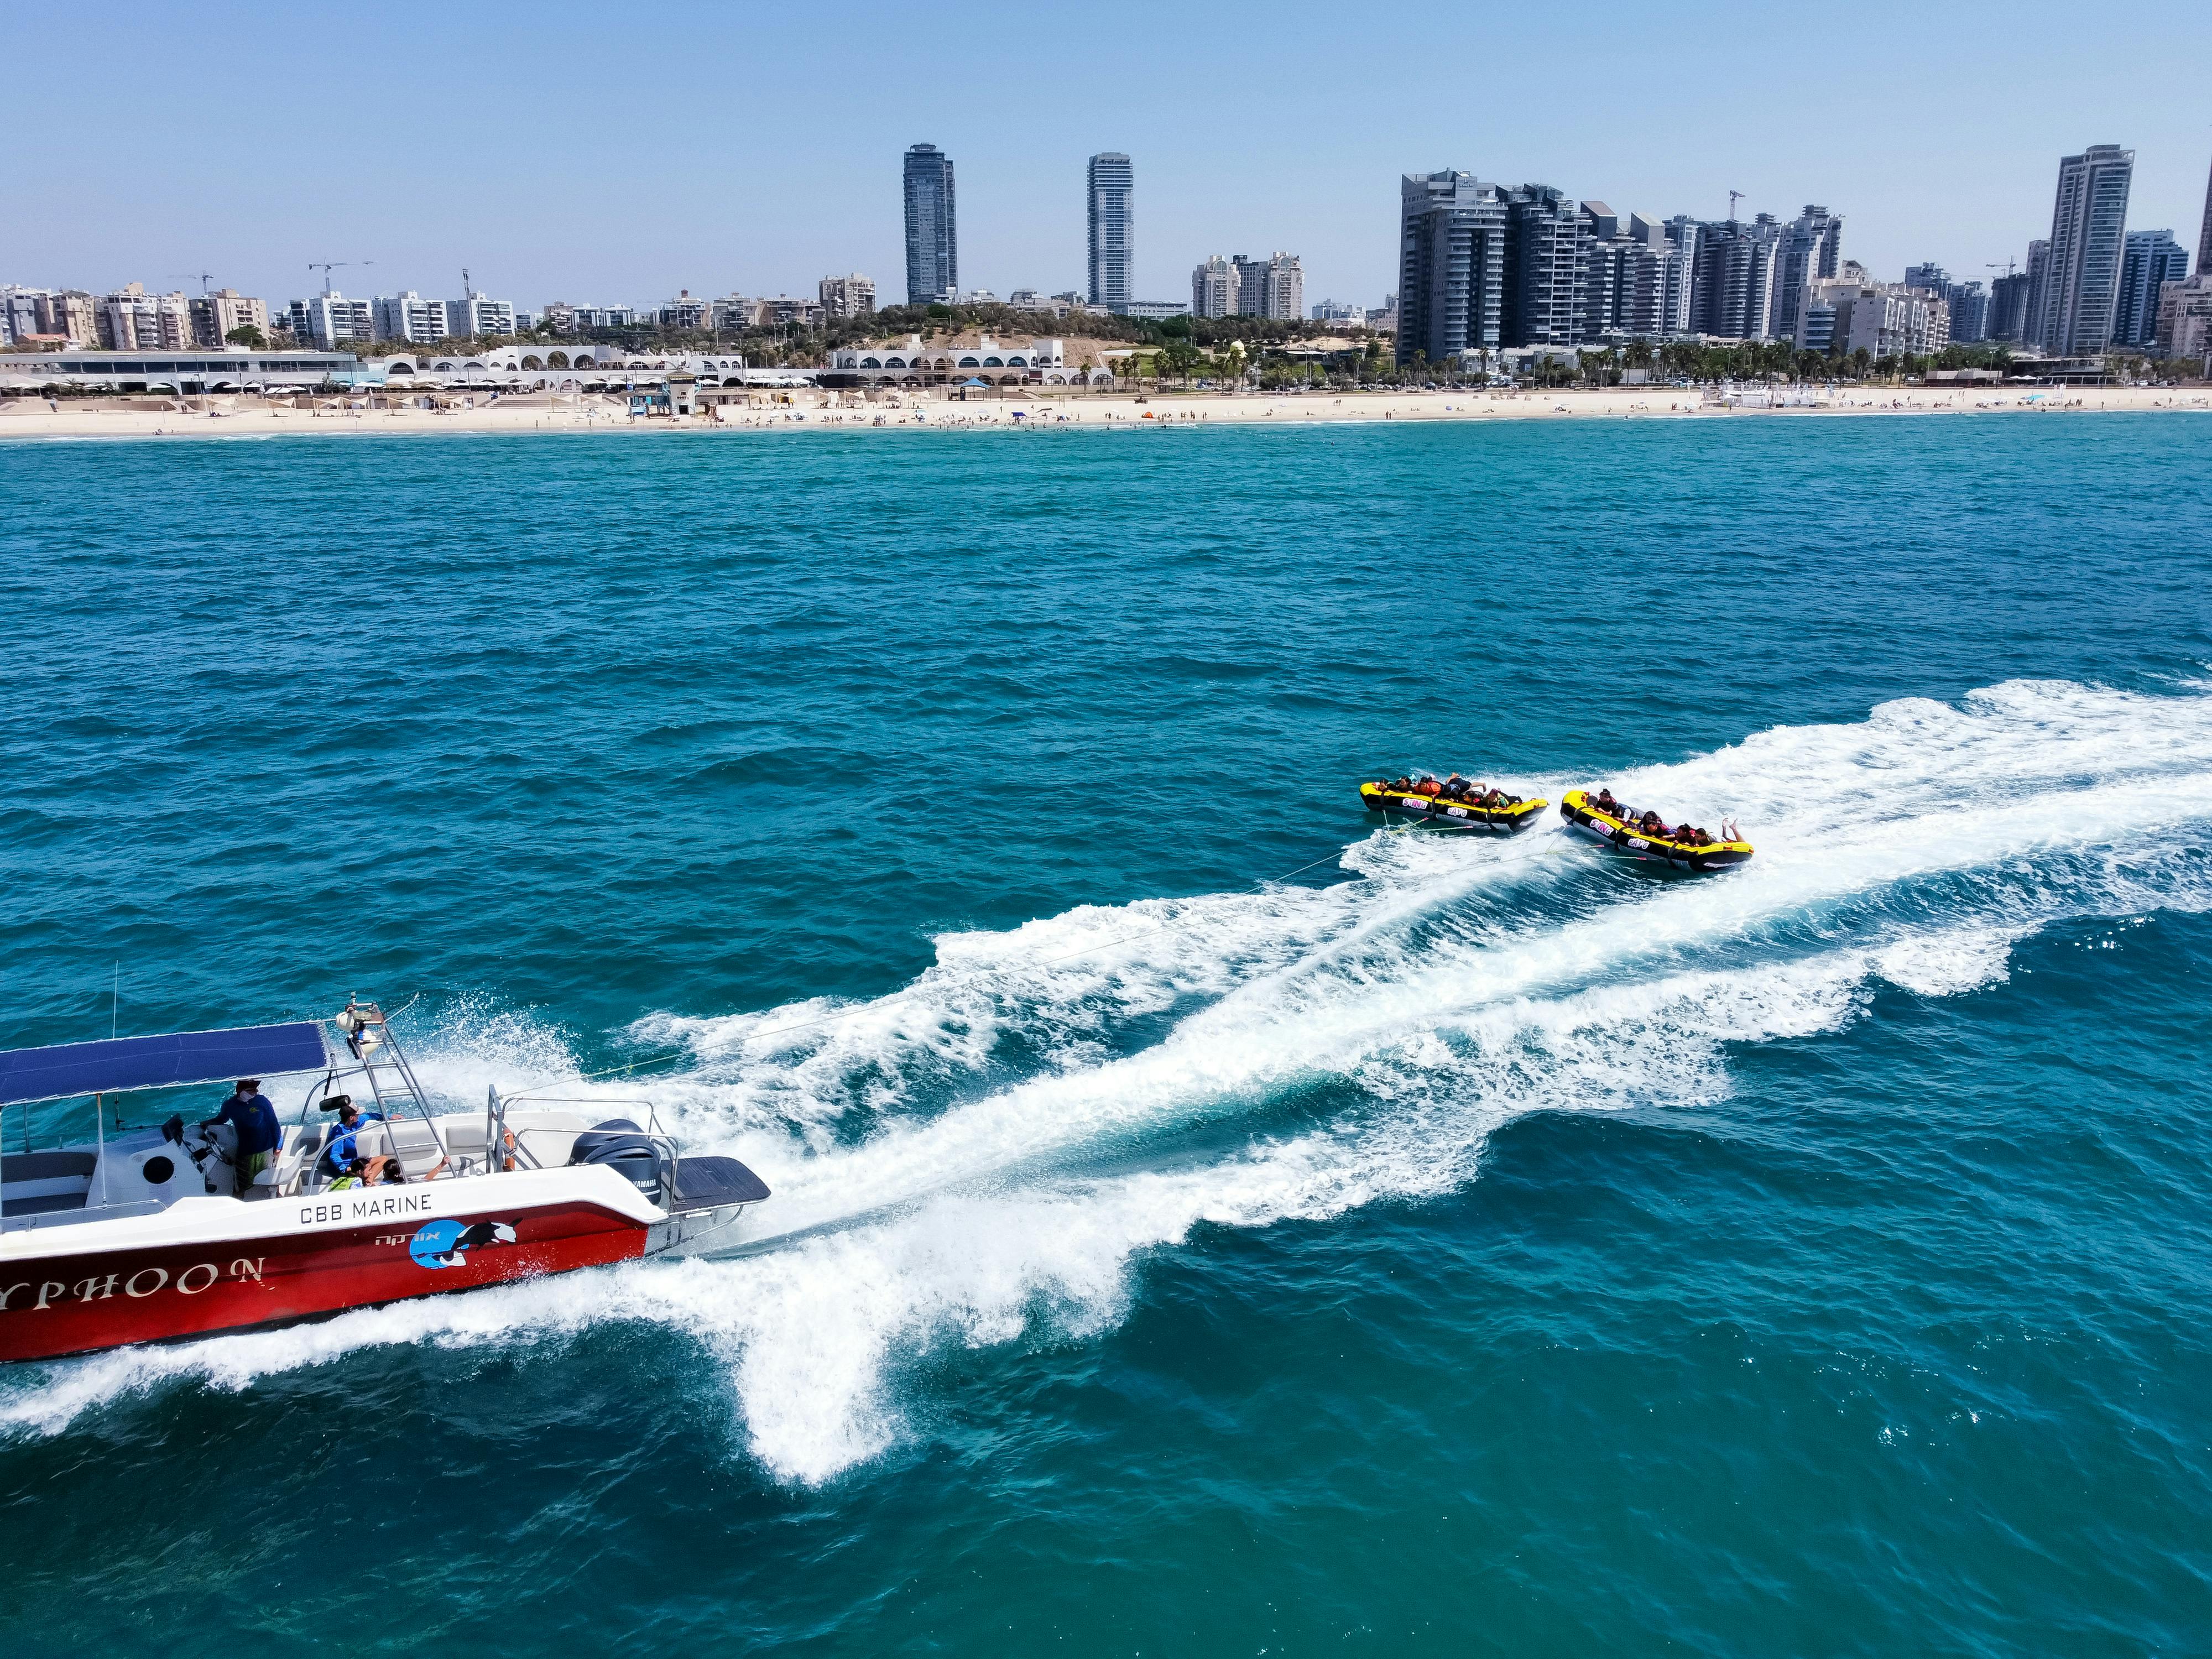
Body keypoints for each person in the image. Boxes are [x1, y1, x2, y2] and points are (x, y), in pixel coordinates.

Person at [201, 1078, 283, 1198]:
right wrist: (207, 1122)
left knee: (270, 1183)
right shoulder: (229, 1105)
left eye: (255, 1090)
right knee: (240, 1186)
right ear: (240, 1090)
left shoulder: (262, 1101)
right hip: (246, 1152)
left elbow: (274, 1124)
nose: (255, 1092)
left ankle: (274, 1201)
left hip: (267, 1150)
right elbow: (221, 1119)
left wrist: (279, 1145)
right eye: (251, 1091)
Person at [321, 1098, 389, 1181]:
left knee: (383, 1159)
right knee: (366, 1171)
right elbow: (334, 1155)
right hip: (345, 1168)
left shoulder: (355, 1123)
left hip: (354, 1163)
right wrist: (345, 1169)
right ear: (352, 1118)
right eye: (357, 1114)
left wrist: (389, 1116)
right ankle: (366, 1181)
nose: (359, 1116)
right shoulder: (339, 1132)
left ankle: (369, 1181)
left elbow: (369, 1116)